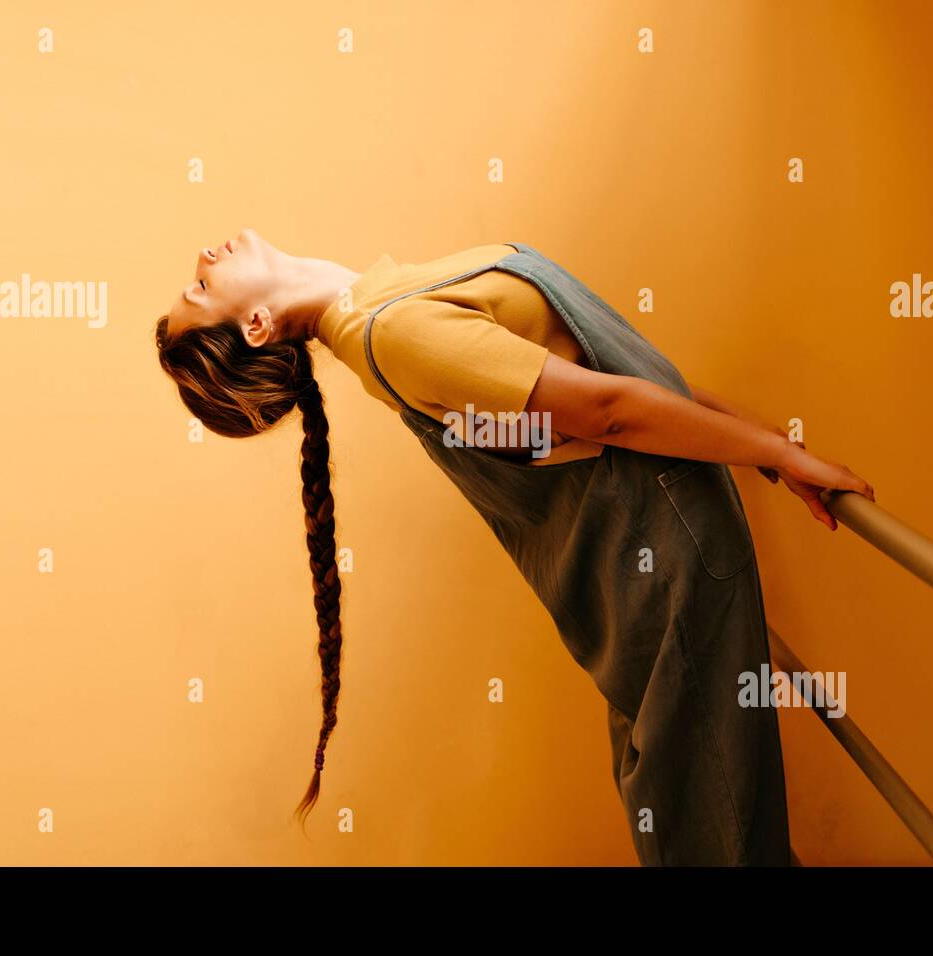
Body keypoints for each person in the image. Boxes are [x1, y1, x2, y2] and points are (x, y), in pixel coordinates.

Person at [153, 230, 875, 865]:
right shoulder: (395, 334)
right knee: (718, 827)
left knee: (711, 812)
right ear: (255, 325)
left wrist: (772, 452)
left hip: (666, 565)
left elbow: (621, 385)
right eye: (200, 287)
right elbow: (607, 413)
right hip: (668, 569)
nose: (203, 257)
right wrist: (775, 450)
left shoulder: (391, 305)